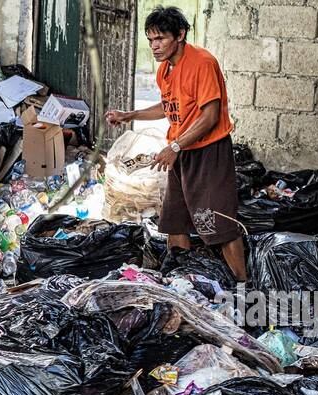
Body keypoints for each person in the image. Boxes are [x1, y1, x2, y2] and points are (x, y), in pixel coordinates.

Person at [105, 6, 246, 281]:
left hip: (208, 152)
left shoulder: (202, 63)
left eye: (160, 39)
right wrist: (130, 115)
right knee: (174, 221)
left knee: (219, 224)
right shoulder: (165, 70)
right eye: (150, 40)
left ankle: (243, 285)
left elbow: (210, 115)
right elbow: (169, 107)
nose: (154, 47)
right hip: (183, 154)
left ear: (180, 35)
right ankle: (180, 282)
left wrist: (175, 147)